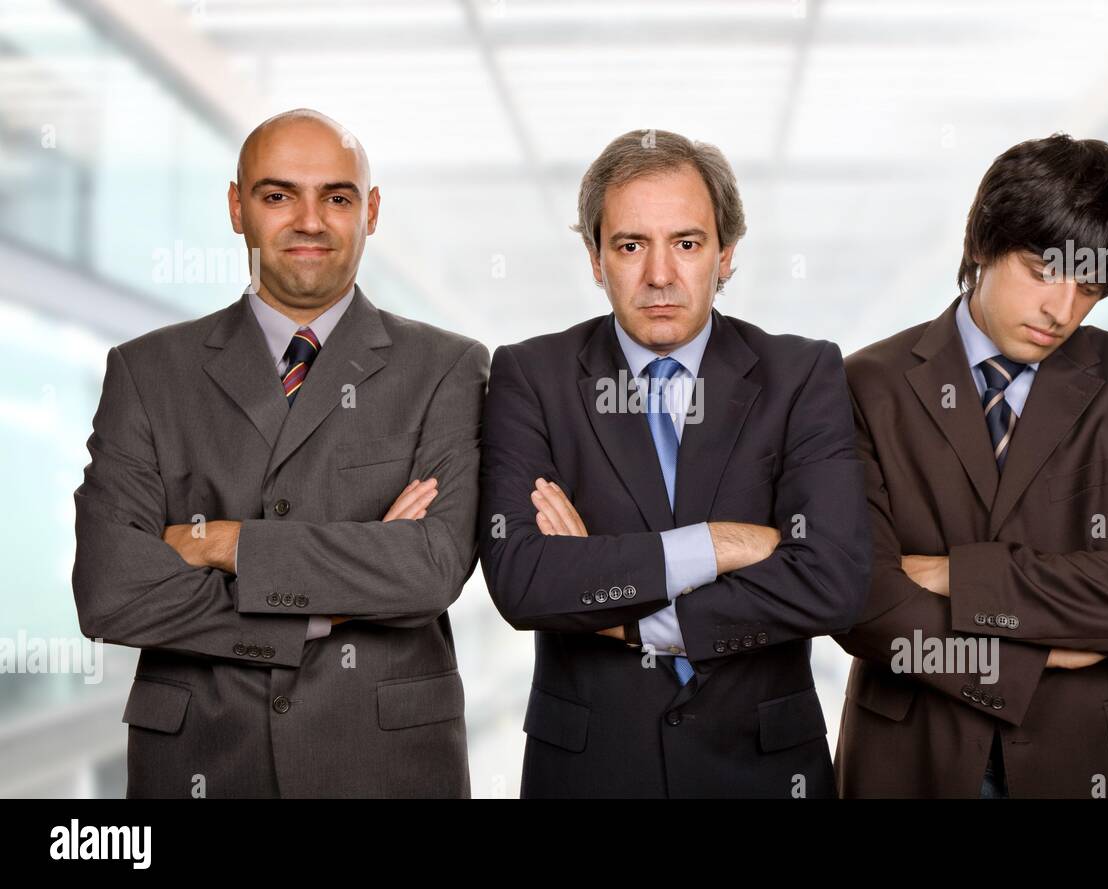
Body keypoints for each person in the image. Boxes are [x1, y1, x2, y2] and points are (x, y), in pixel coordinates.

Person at [72, 109, 488, 798]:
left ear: (371, 211)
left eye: (337, 197)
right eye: (277, 195)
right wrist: (339, 598)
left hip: (385, 765)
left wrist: (228, 543)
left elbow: (432, 567)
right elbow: (112, 591)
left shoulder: (448, 367)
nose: (309, 220)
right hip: (200, 761)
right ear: (238, 208)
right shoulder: (147, 372)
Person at [478, 129, 871, 798]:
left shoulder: (803, 373)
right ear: (596, 258)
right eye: (631, 245)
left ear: (726, 254)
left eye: (687, 244)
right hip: (591, 768)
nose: (660, 275)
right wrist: (721, 543)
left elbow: (833, 579)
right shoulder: (529, 375)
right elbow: (522, 579)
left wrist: (614, 604)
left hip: (766, 768)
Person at [834, 133, 1108, 798]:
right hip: (915, 756)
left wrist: (956, 575)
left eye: (1091, 288)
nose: (1062, 311)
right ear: (982, 242)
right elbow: (859, 599)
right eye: (1044, 271)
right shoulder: (863, 385)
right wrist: (1034, 655)